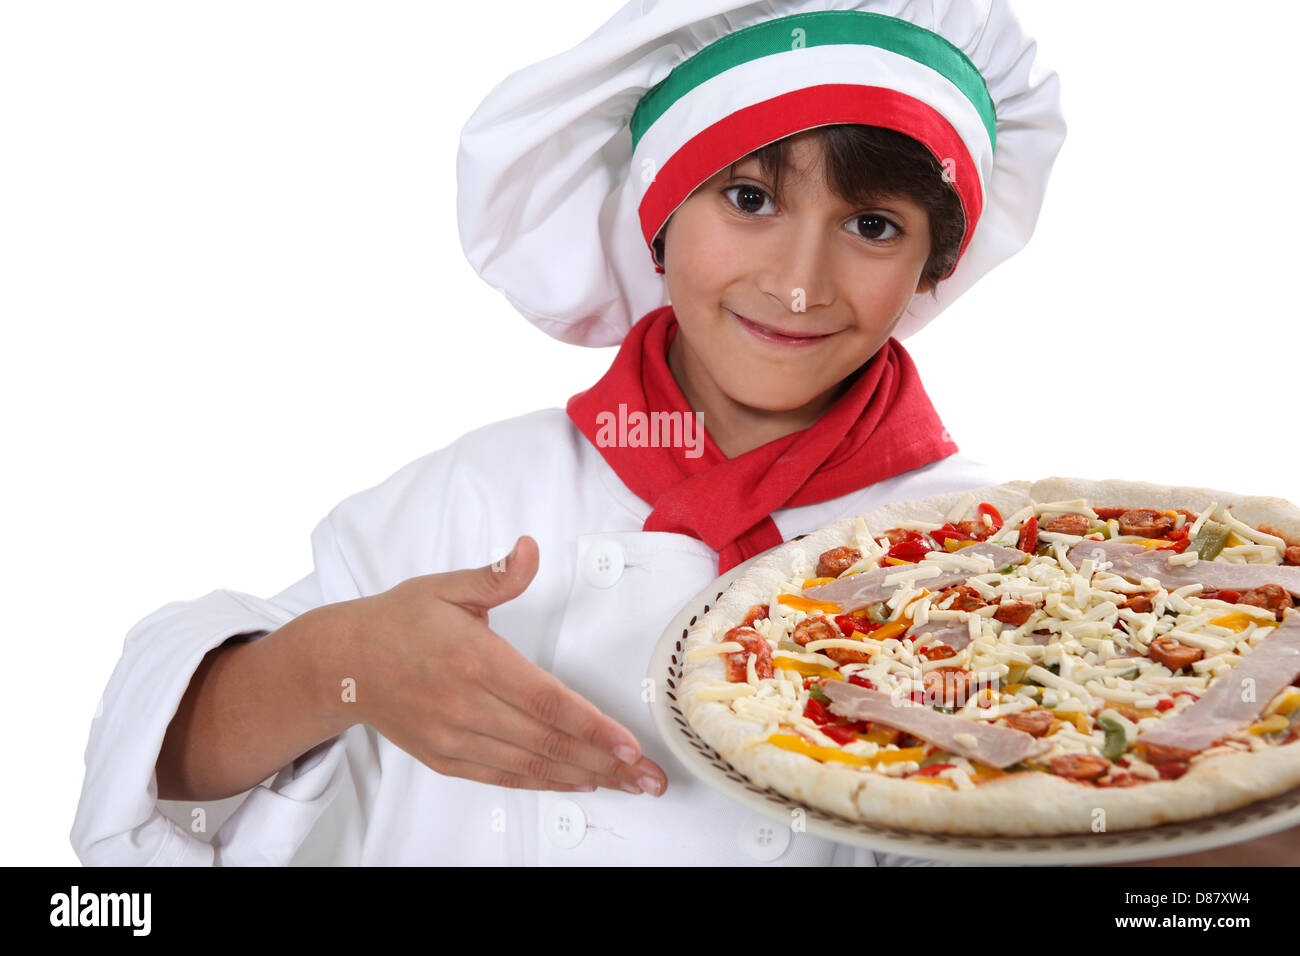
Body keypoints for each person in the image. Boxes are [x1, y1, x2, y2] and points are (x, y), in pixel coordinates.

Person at [71, 0, 1070, 865]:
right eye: (750, 197)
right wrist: (351, 661)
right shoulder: (475, 494)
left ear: (933, 263)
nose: (798, 282)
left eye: (872, 226)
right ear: (657, 210)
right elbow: (164, 786)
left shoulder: (999, 550)